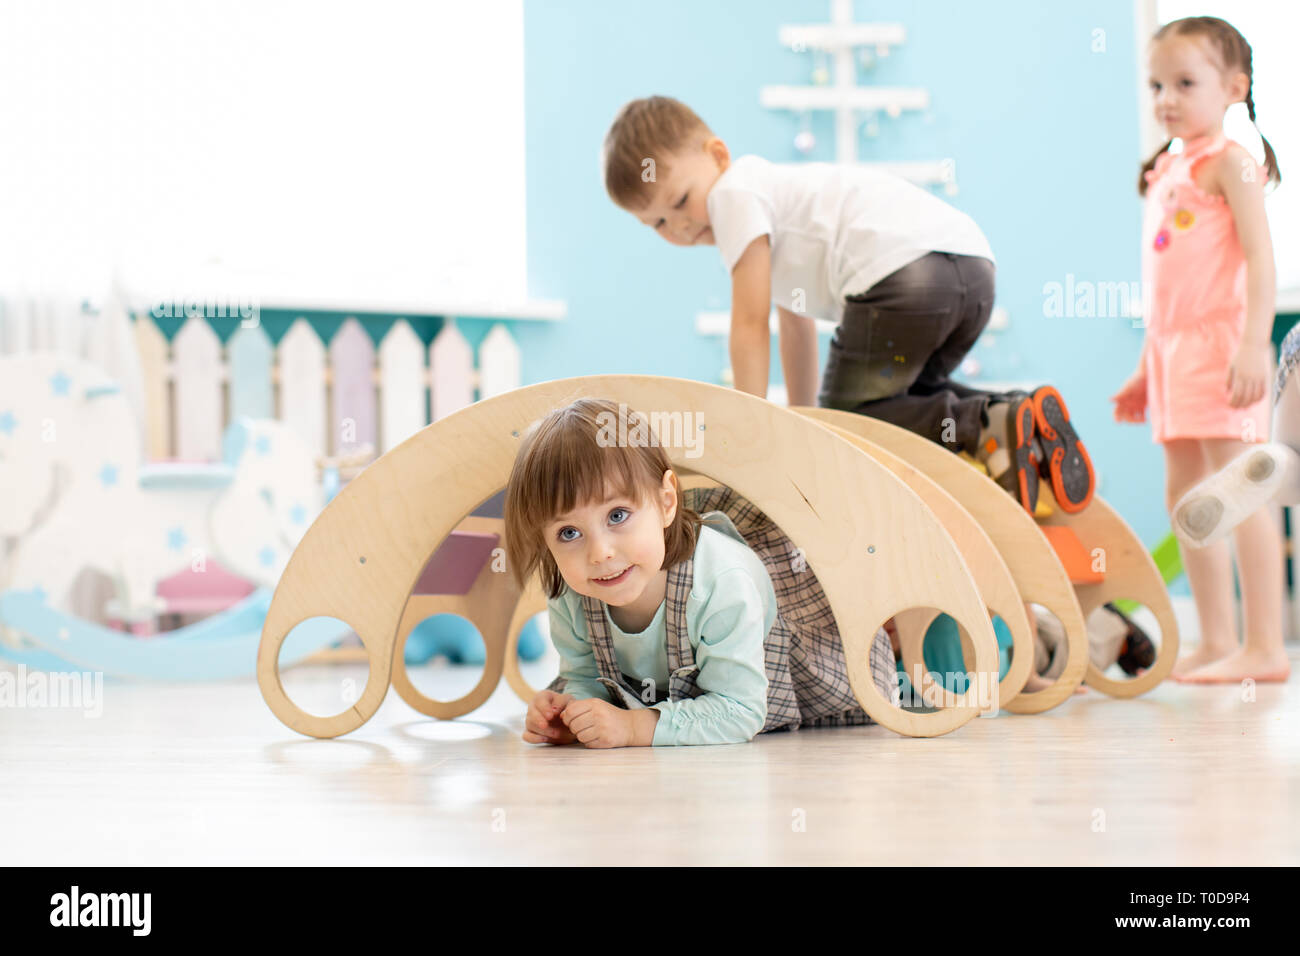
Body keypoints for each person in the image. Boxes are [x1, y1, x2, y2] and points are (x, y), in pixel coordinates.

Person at [600, 95, 1095, 516]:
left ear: (718, 154)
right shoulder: (775, 204)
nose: (681, 227)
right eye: (659, 225)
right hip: (971, 271)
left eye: (681, 201)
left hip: (905, 276)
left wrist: (746, 423)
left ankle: (982, 424)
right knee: (908, 399)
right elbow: (793, 327)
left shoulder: (735, 194)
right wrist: (801, 420)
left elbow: (750, 325)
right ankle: (1015, 420)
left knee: (852, 420)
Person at [503, 398, 896, 748]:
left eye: (617, 515)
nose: (599, 553)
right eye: (568, 533)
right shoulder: (570, 592)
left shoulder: (720, 584)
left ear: (666, 501)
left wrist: (635, 728)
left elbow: (740, 709)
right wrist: (572, 709)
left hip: (785, 660)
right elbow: (586, 675)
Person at [1110, 15, 1289, 683]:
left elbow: (1260, 261)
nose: (1167, 98)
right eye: (1158, 84)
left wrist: (1251, 344)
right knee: (1187, 496)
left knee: (1239, 492)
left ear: (1234, 87)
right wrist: (1142, 371)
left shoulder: (1231, 164)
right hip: (1172, 355)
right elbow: (1166, 290)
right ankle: (1216, 638)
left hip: (1223, 349)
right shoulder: (1167, 167)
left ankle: (1264, 646)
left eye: (1185, 82)